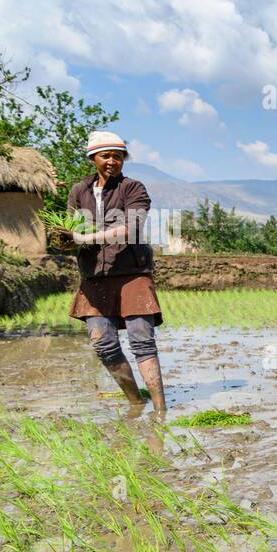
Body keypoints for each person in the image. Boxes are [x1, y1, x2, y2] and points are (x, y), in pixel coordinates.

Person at [66, 131, 166, 413]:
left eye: (118, 156)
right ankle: (136, 402)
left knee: (141, 340)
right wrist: (65, 237)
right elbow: (72, 228)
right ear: (92, 158)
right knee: (103, 342)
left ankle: (160, 409)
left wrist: (89, 238)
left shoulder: (133, 188)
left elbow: (132, 227)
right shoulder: (79, 191)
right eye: (106, 155)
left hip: (131, 273)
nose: (112, 161)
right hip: (94, 276)